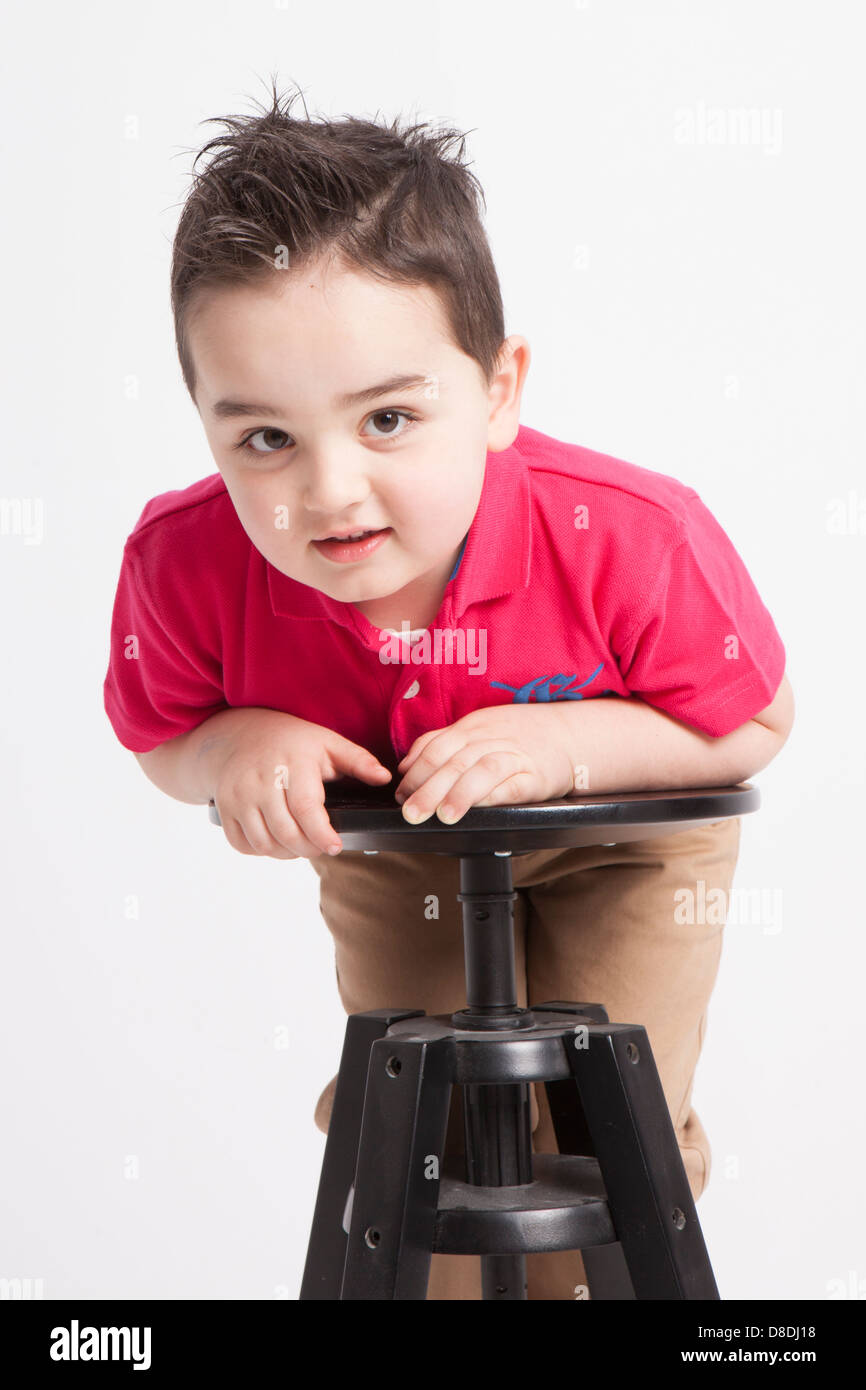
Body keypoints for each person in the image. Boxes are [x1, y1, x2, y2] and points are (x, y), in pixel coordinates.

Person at [102, 82, 795, 1300]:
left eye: (386, 418)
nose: (326, 492)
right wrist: (233, 749)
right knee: (408, 1121)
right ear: (204, 422)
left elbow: (750, 720)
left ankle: (595, 1269)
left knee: (605, 1118)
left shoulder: (627, 534)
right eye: (263, 438)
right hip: (400, 853)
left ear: (498, 390)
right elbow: (161, 734)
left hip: (623, 843)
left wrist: (570, 746)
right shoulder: (185, 561)